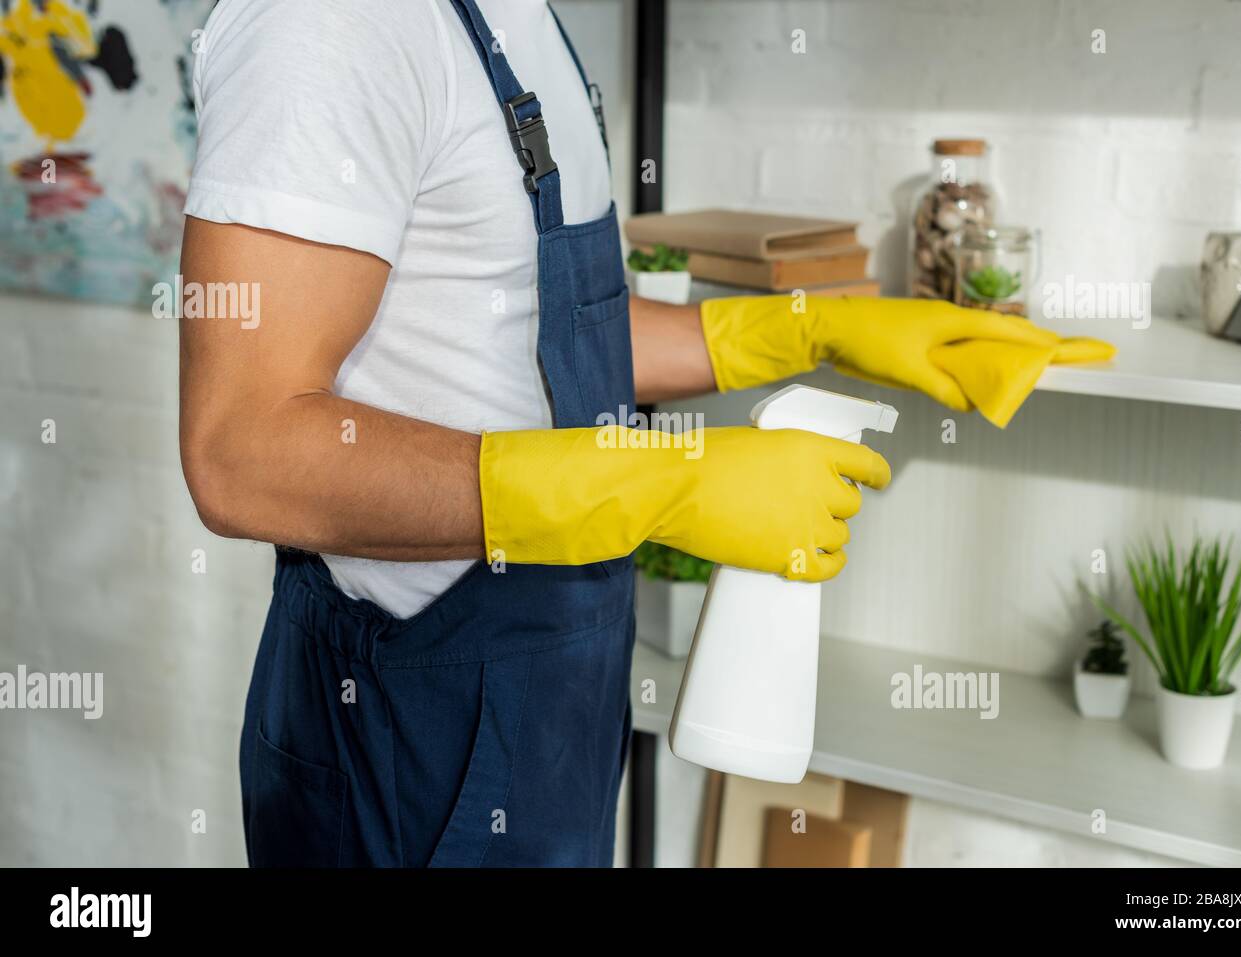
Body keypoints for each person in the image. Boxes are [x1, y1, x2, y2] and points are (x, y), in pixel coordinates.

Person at [178, 0, 1107, 867]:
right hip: (410, 731)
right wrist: (665, 482)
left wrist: (806, 330)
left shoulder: (518, 18)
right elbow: (243, 452)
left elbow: (531, 328)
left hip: (553, 705)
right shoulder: (328, 23)